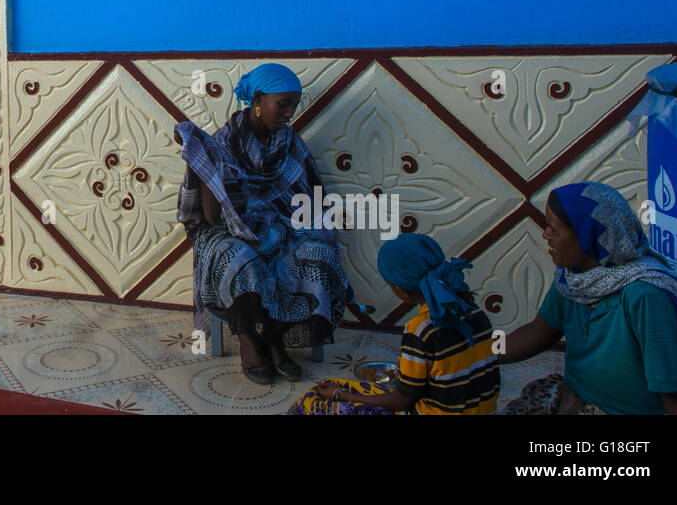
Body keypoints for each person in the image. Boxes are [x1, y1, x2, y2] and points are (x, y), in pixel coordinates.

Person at [175, 62, 351, 383]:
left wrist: (300, 228)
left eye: (294, 105)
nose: (289, 113)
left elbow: (308, 198)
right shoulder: (221, 145)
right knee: (243, 260)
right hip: (224, 233)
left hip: (277, 225)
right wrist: (217, 176)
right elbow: (212, 218)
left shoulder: (289, 143)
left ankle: (277, 340)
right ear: (258, 100)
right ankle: (250, 343)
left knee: (313, 250)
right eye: (283, 104)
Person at [498, 181, 677, 414]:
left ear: (588, 236)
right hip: (577, 396)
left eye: (554, 229)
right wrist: (478, 354)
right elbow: (538, 332)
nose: (545, 235)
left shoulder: (644, 296)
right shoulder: (574, 279)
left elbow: (673, 390)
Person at [289, 233, 500, 414]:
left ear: (400, 290)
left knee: (312, 402)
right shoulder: (477, 313)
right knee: (352, 388)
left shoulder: (420, 330)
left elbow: (401, 401)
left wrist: (339, 395)